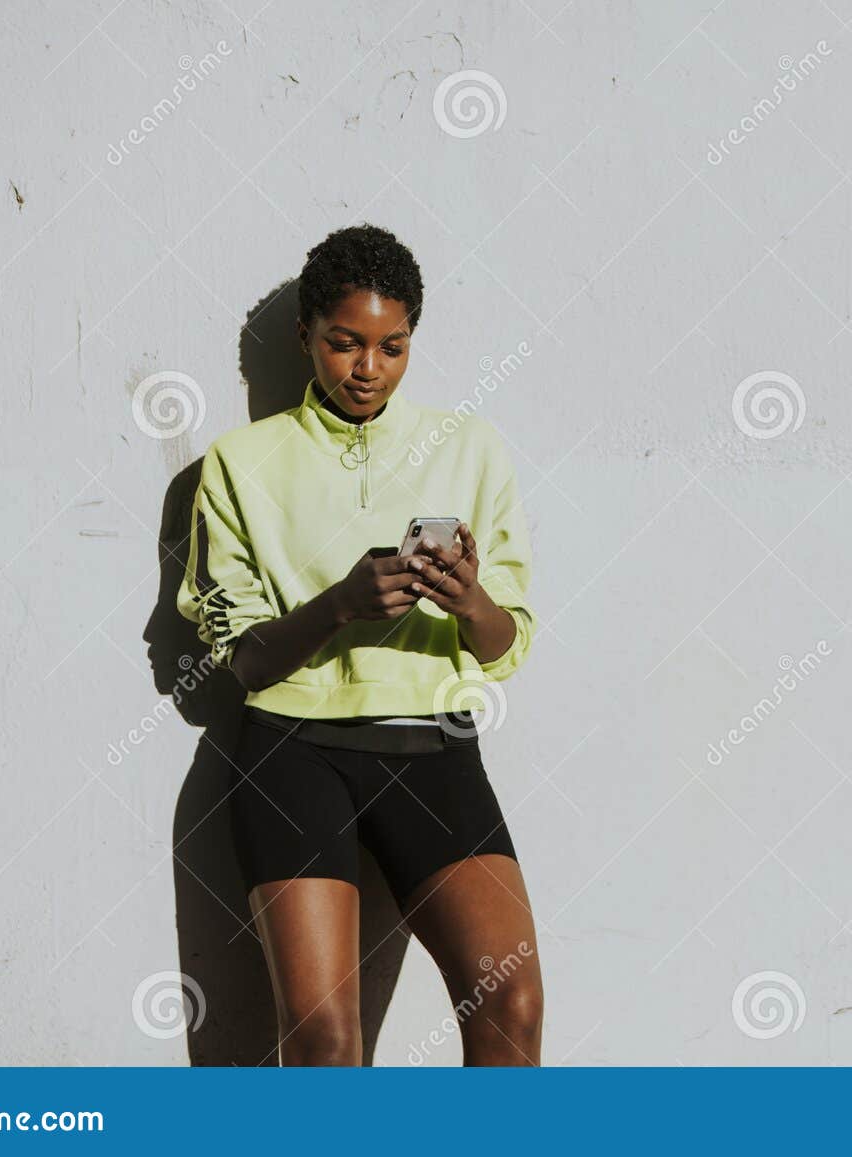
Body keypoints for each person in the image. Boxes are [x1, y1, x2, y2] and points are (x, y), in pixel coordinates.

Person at [175, 224, 543, 1066]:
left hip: (435, 749)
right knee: (323, 1040)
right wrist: (340, 604)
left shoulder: (470, 447)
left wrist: (468, 599)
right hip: (292, 756)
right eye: (344, 343)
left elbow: (504, 644)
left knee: (512, 1001)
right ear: (306, 335)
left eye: (393, 346)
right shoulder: (238, 463)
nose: (367, 368)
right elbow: (247, 663)